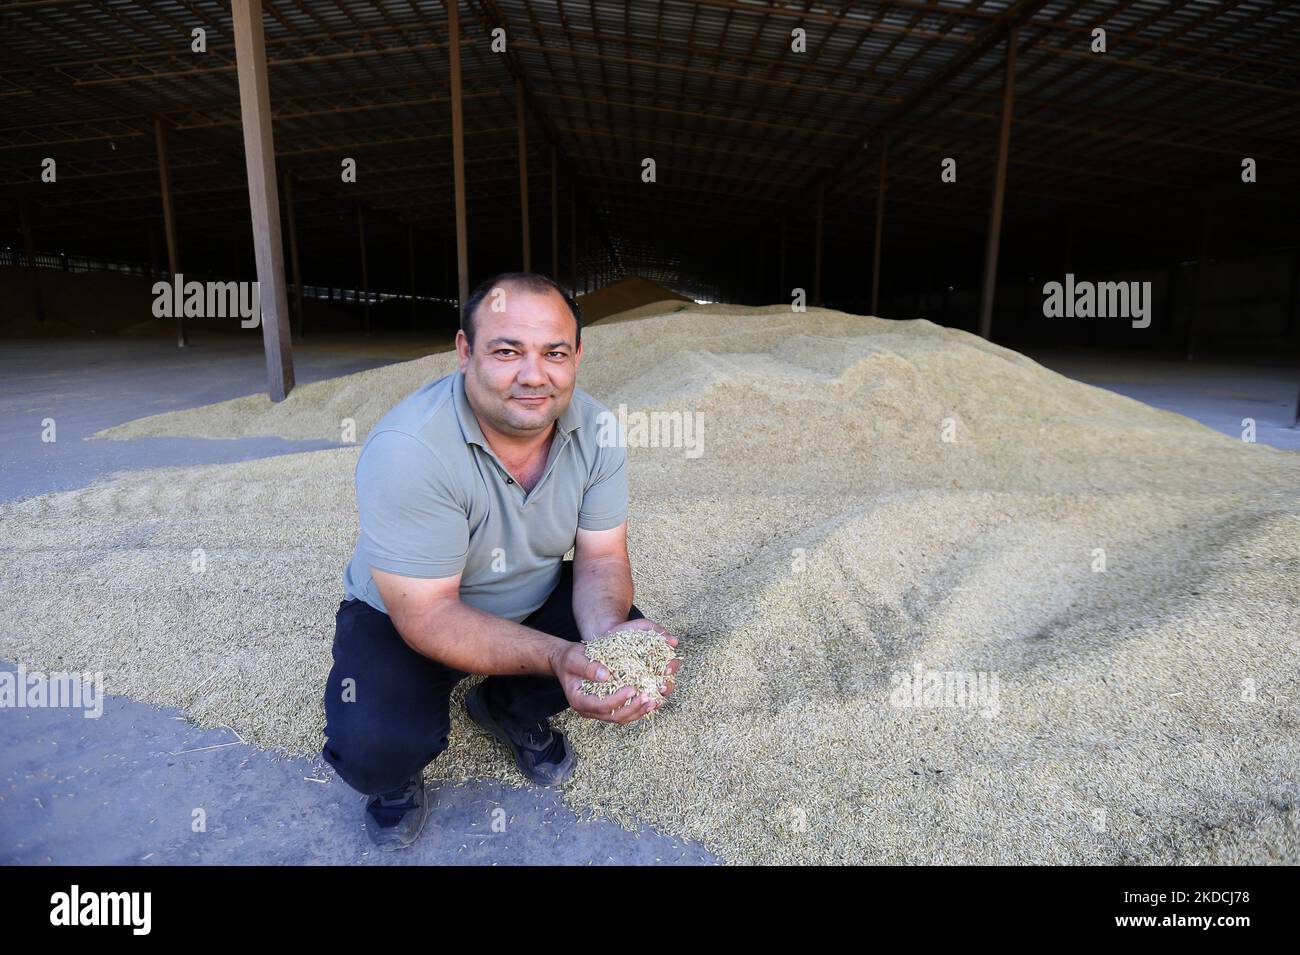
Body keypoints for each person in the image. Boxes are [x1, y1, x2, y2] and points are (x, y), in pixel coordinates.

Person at [321, 271, 679, 850]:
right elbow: (430, 616)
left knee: (621, 622)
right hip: (410, 612)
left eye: (555, 353)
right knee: (372, 745)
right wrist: (564, 658)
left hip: (531, 594)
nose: (534, 375)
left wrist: (608, 646)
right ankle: (394, 782)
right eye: (507, 351)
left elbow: (602, 558)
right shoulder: (409, 448)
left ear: (578, 356)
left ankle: (506, 707)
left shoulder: (599, 429)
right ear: (465, 352)